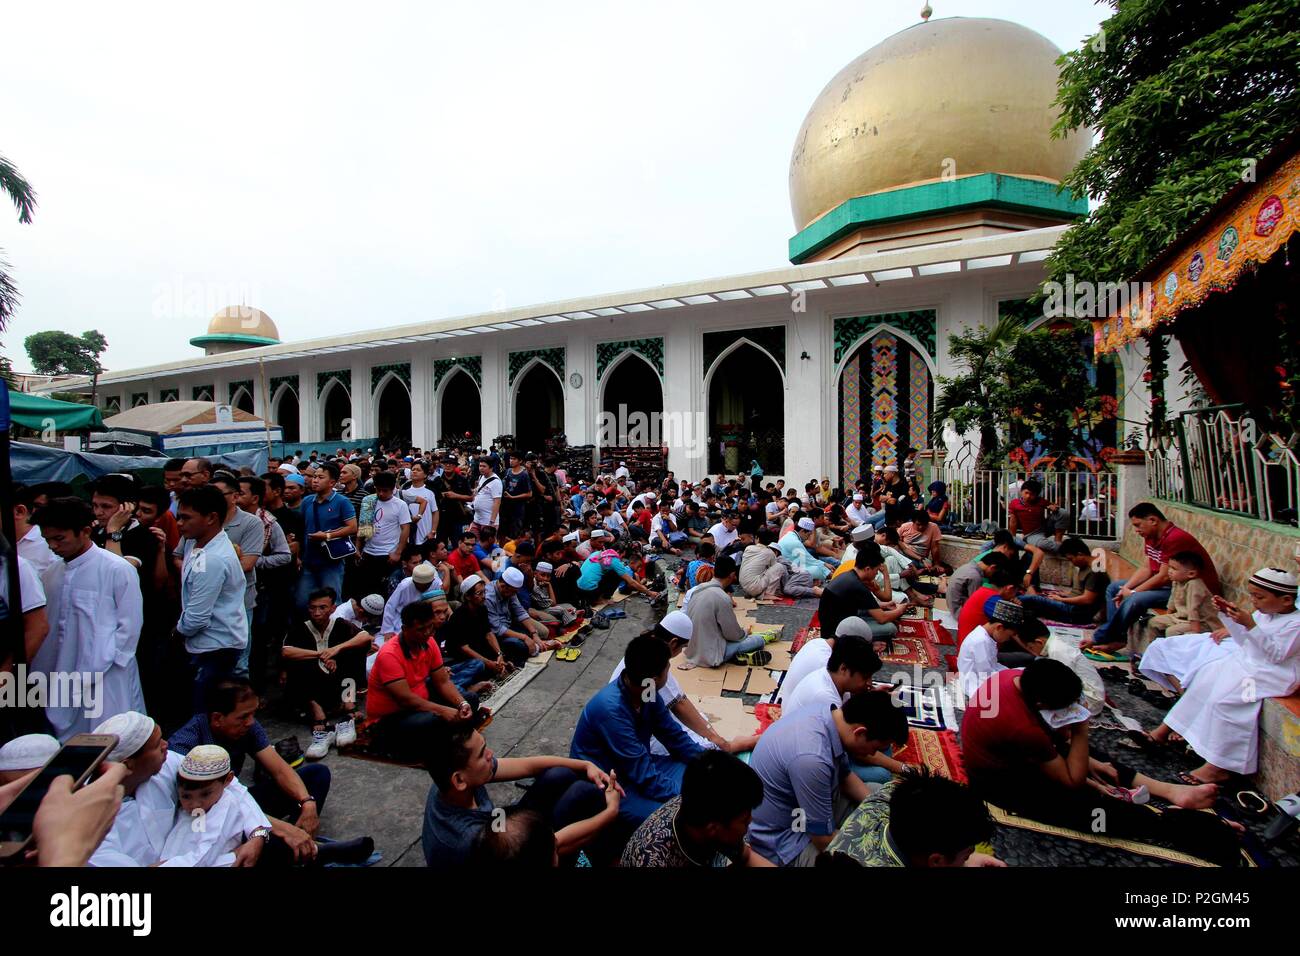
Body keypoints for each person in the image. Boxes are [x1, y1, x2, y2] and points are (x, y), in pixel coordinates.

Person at [961, 660, 1240, 864]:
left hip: (1020, 755)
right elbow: (1071, 781)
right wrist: (1081, 731)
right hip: (1002, 783)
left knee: (1097, 761)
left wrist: (1087, 760)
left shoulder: (1014, 678)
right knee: (1095, 813)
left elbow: (1053, 738)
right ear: (1042, 703)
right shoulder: (1022, 728)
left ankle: (1170, 790)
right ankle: (1185, 825)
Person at [1143, 568, 1300, 783]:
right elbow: (1244, 641)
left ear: (1286, 600)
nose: (1254, 601)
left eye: (1259, 597)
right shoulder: (1265, 613)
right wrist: (1230, 618)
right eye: (1252, 595)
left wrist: (1250, 624)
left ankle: (1218, 766)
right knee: (1203, 680)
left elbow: (1276, 655)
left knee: (1223, 701)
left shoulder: (1296, 624)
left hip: (1273, 674)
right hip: (1248, 662)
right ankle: (1165, 731)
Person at [170, 679, 332, 864]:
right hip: (209, 818)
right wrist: (281, 829)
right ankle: (298, 847)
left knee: (317, 775)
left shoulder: (248, 726)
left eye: (253, 714)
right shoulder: (183, 748)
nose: (250, 722)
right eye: (243, 717)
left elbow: (279, 769)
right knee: (255, 842)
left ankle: (300, 842)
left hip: (241, 801)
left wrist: (307, 802)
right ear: (217, 718)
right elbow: (201, 807)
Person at [422, 723, 621, 868]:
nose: (491, 754)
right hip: (500, 851)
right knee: (584, 794)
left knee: (559, 774)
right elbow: (552, 844)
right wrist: (610, 812)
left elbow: (527, 765)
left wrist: (584, 765)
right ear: (459, 780)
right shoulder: (468, 841)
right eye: (482, 753)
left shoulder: (454, 783)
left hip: (497, 828)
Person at [746, 691, 908, 866]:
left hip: (807, 807)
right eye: (875, 748)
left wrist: (876, 808)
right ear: (860, 732)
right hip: (787, 836)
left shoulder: (827, 715)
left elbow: (845, 775)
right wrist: (873, 849)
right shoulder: (812, 759)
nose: (873, 754)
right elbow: (822, 838)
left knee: (879, 793)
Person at [90, 711, 268, 868]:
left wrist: (258, 833)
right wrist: (232, 858)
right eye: (156, 745)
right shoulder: (89, 823)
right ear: (127, 765)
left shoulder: (165, 763)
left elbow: (227, 782)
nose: (166, 744)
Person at [32, 496, 145, 738]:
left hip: (107, 673)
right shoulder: (52, 573)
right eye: (47, 539)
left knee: (109, 736)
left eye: (59, 538)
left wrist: (110, 663)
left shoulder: (117, 569)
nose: (52, 546)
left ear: (85, 531)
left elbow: (130, 626)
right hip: (62, 671)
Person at [570, 634, 704, 826]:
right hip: (611, 782)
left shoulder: (646, 690)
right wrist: (693, 800)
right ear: (655, 678)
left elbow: (674, 737)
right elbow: (644, 775)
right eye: (668, 667)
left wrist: (712, 763)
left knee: (701, 775)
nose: (669, 670)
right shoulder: (610, 710)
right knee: (676, 819)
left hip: (637, 766)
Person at [610, 611, 759, 754]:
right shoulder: (652, 663)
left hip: (633, 720)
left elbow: (673, 701)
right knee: (707, 748)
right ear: (673, 643)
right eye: (682, 647)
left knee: (696, 723)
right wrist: (720, 742)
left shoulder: (647, 648)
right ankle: (735, 745)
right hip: (631, 735)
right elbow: (678, 704)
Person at [1084, 502, 1219, 653]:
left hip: (1188, 590)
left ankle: (1104, 636)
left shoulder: (1175, 538)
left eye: (1138, 525)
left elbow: (1163, 577)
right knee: (1115, 588)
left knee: (1135, 600)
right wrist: (1127, 588)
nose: (1136, 530)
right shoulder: (1151, 536)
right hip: (1171, 585)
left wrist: (1133, 593)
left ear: (1153, 521)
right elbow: (1147, 567)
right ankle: (1118, 637)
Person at [365, 598, 478, 762]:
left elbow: (443, 681)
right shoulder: (389, 655)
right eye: (420, 629)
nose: (427, 633)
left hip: (420, 704)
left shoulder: (429, 642)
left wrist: (461, 703)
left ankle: (446, 735)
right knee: (437, 720)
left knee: (470, 700)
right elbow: (406, 700)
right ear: (405, 629)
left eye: (430, 627)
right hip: (391, 718)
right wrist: (442, 710)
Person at [620, 750, 774, 867]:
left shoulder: (709, 812)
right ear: (713, 828)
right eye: (745, 821)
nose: (750, 821)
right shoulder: (654, 859)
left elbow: (746, 856)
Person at [822, 769, 1003, 867]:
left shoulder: (885, 798)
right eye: (964, 856)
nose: (967, 859)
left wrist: (967, 859)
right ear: (936, 860)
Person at [172, 485, 248, 708]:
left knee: (206, 713)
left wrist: (178, 632)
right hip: (211, 642)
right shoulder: (196, 544)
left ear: (211, 518)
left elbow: (197, 616)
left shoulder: (213, 559)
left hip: (215, 646)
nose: (179, 523)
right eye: (178, 516)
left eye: (186, 518)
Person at [282, 588, 374, 758]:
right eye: (312, 608)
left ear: (333, 608)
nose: (316, 612)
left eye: (322, 608)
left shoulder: (340, 624)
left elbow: (366, 637)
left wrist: (336, 651)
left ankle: (348, 705)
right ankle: (318, 713)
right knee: (298, 660)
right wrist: (320, 656)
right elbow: (286, 651)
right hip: (311, 681)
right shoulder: (301, 628)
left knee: (355, 650)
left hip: (338, 679)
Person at [160, 745, 271, 867]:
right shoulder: (189, 809)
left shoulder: (225, 807)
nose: (195, 804)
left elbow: (205, 856)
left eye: (205, 794)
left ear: (228, 780)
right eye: (186, 796)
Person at [210, 473, 266, 677]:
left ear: (234, 496)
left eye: (218, 494)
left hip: (239, 602)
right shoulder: (205, 520)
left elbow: (247, 563)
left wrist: (205, 572)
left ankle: (240, 706)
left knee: (238, 663)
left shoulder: (251, 523)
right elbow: (181, 558)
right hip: (207, 603)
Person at [1130, 550, 1223, 659]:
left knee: (1172, 631)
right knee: (1154, 622)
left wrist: (1195, 632)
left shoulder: (1194, 585)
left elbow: (1194, 609)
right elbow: (1172, 601)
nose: (1169, 571)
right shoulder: (1177, 581)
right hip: (1181, 617)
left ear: (1191, 574)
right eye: (1169, 567)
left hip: (1201, 622)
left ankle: (1171, 659)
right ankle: (1154, 653)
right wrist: (1167, 616)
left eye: (1174, 569)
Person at [682, 556, 768, 667]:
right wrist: (745, 632)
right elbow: (733, 635)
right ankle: (735, 656)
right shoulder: (722, 597)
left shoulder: (697, 590)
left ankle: (737, 657)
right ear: (732, 575)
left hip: (692, 651)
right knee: (758, 640)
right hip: (710, 655)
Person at [817, 544, 907, 644]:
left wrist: (883, 605)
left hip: (838, 620)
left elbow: (885, 598)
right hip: (836, 633)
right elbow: (882, 618)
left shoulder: (851, 575)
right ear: (868, 569)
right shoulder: (858, 585)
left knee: (884, 612)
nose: (876, 574)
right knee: (891, 628)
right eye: (877, 571)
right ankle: (859, 643)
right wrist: (900, 610)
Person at [956, 598, 1042, 702]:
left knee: (1024, 671)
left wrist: (1014, 673)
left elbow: (993, 666)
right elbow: (985, 677)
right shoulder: (980, 641)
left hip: (987, 676)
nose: (1008, 639)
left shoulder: (986, 636)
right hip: (975, 685)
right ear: (999, 627)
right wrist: (1013, 678)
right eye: (1010, 636)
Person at [1020, 537, 1109, 625]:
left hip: (1076, 612)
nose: (1072, 562)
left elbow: (1087, 599)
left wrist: (1061, 599)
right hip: (1072, 606)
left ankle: (1010, 600)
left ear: (1080, 554)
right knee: (1033, 607)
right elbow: (1082, 592)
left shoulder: (1095, 572)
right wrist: (1065, 595)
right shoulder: (1085, 567)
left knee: (1033, 599)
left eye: (1071, 559)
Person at [357, 470, 411, 599]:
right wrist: (358, 547)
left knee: (387, 591)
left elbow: (405, 529)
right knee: (368, 590)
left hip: (388, 554)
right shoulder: (369, 501)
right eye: (378, 490)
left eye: (385, 491)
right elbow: (363, 526)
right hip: (369, 553)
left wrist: (398, 552)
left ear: (393, 489)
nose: (381, 493)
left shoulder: (400, 505)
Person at [738, 528, 823, 600]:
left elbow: (782, 574)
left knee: (784, 579)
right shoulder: (769, 553)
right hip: (756, 586)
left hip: (744, 585)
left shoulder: (748, 548)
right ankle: (767, 593)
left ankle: (813, 589)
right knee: (780, 569)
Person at [574, 540, 660, 605]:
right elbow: (631, 582)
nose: (622, 559)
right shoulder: (614, 560)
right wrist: (649, 593)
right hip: (589, 593)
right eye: (622, 555)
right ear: (618, 552)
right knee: (617, 574)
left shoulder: (598, 553)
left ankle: (597, 597)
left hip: (579, 589)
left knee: (612, 571)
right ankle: (600, 599)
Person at [955, 563, 1020, 646]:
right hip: (976, 649)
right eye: (1015, 592)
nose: (1014, 596)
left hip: (966, 643)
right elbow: (1011, 628)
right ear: (1010, 588)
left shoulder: (984, 591)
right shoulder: (994, 600)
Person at [1007, 479, 1071, 559]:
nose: (1028, 496)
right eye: (1026, 493)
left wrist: (1052, 507)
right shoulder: (1015, 503)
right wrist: (1012, 538)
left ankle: (1058, 541)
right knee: (1042, 544)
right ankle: (1064, 548)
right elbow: (1013, 522)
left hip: (1045, 527)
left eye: (1032, 494)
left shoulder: (1040, 501)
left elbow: (1052, 506)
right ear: (1021, 491)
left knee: (1062, 512)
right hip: (1032, 534)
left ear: (1036, 495)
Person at [381, 561, 438, 636]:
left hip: (427, 620)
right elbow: (390, 606)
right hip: (402, 620)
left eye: (424, 585)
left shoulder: (436, 583)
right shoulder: (405, 585)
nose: (420, 587)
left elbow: (438, 604)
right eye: (418, 584)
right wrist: (388, 630)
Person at [468, 457, 503, 535]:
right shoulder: (481, 477)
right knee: (472, 544)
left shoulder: (496, 482)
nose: (481, 468)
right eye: (480, 466)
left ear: (491, 468)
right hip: (477, 520)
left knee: (486, 545)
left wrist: (492, 522)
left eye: (484, 466)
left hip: (488, 522)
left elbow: (497, 502)